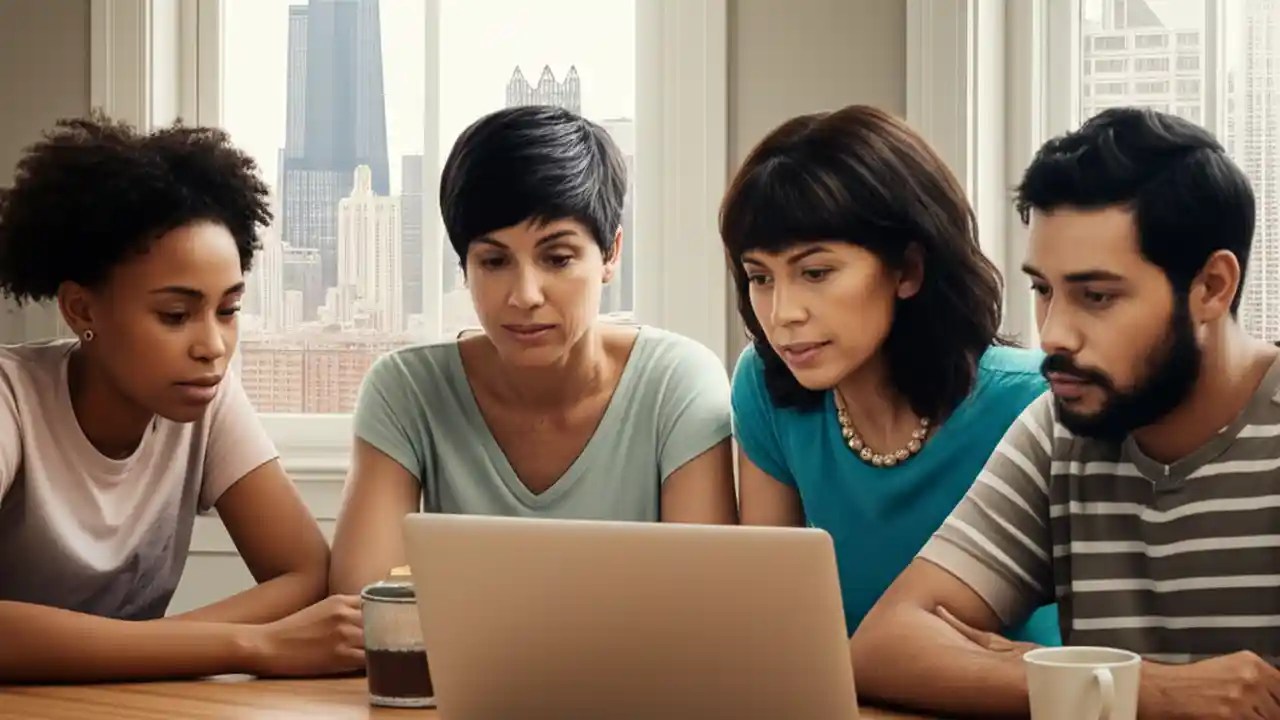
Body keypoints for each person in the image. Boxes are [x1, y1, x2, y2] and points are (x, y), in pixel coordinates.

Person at [850, 107, 1280, 719]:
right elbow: (884, 645)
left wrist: (1010, 662)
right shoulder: (1060, 431)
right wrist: (1136, 689)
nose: (1053, 334)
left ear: (1211, 287)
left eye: (1096, 296)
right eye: (1044, 289)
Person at [0, 114, 363, 683]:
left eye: (229, 310)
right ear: (82, 310)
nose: (213, 347)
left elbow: (306, 572)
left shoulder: (206, 399)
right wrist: (245, 645)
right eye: (175, 315)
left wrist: (148, 647)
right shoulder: (10, 401)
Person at [329, 105, 737, 595]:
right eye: (494, 261)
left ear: (610, 254)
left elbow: (703, 601)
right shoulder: (407, 391)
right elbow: (365, 606)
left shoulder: (679, 383)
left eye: (558, 258)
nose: (525, 294)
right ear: (464, 267)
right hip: (463, 675)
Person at [722, 104, 1060, 643]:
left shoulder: (1035, 403)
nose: (782, 312)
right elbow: (770, 622)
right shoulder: (765, 388)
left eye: (815, 272)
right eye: (760, 278)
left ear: (908, 269)